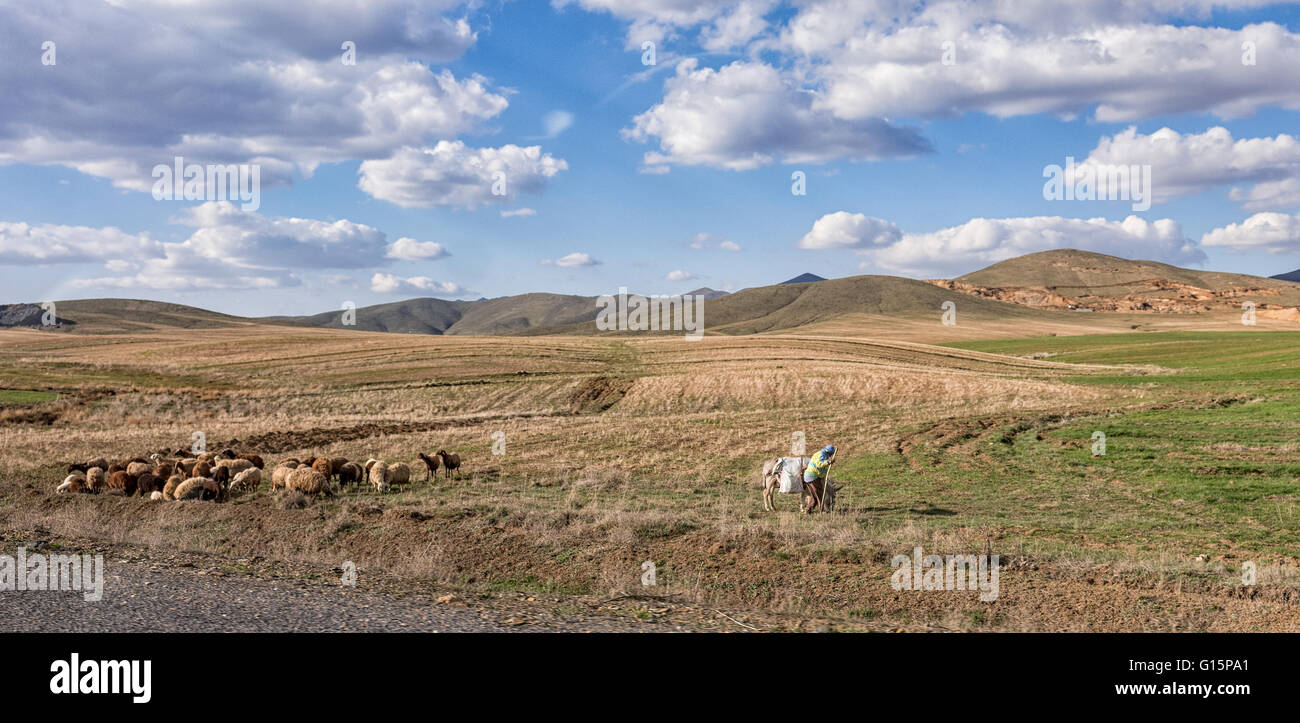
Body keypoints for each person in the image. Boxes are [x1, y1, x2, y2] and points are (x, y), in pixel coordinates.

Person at [801, 445, 835, 511]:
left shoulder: (820, 453)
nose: (831, 455)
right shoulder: (822, 454)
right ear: (828, 452)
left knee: (815, 496)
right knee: (819, 496)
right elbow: (819, 464)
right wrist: (829, 462)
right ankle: (820, 510)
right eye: (831, 454)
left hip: (810, 476)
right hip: (813, 476)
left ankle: (808, 510)